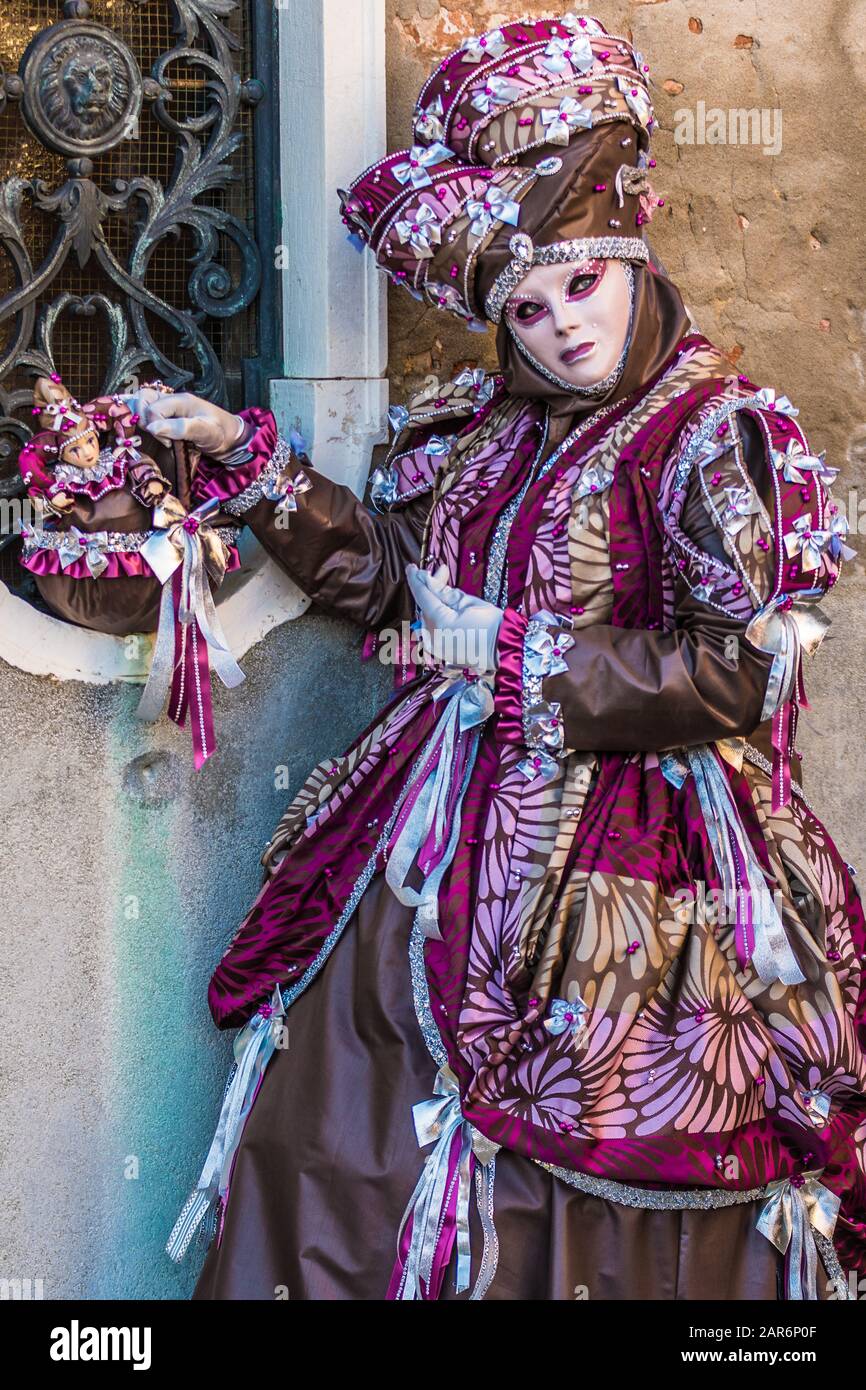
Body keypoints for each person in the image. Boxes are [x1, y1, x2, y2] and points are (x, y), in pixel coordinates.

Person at [134, 15, 864, 1300]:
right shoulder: (477, 432)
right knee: (337, 1134)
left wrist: (520, 655)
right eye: (524, 309)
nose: (560, 330)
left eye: (580, 286)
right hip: (429, 841)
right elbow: (382, 579)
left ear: (632, 258)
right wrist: (251, 467)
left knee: (589, 1164)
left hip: (643, 869)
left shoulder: (709, 433)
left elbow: (736, 675)